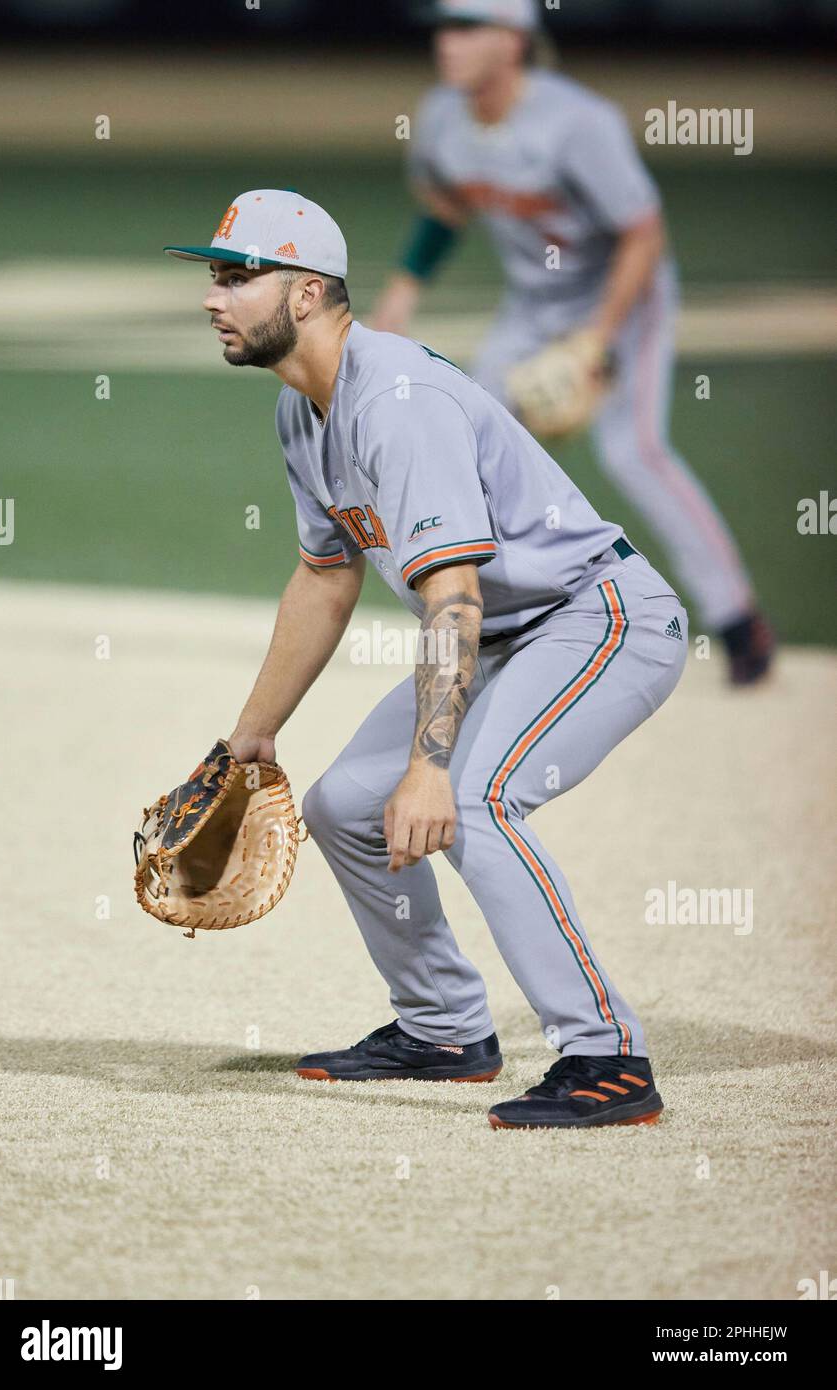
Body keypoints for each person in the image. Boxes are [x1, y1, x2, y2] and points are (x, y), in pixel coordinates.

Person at [165, 187, 686, 1129]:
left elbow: (453, 595)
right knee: (342, 808)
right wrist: (252, 736)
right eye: (214, 275)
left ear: (312, 293)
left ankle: (608, 1055)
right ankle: (444, 1027)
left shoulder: (396, 401)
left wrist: (430, 768)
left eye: (240, 277)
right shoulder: (303, 412)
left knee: (475, 802)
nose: (214, 297)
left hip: (601, 619)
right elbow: (325, 580)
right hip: (499, 633)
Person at [372, 0, 774, 684]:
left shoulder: (576, 124)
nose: (447, 41)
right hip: (534, 305)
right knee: (468, 438)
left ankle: (738, 621)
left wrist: (596, 343)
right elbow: (446, 204)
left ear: (513, 40)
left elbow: (644, 235)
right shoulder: (442, 117)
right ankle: (507, 618)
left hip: (625, 299)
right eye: (444, 26)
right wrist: (405, 288)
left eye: (467, 26)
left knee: (634, 452)